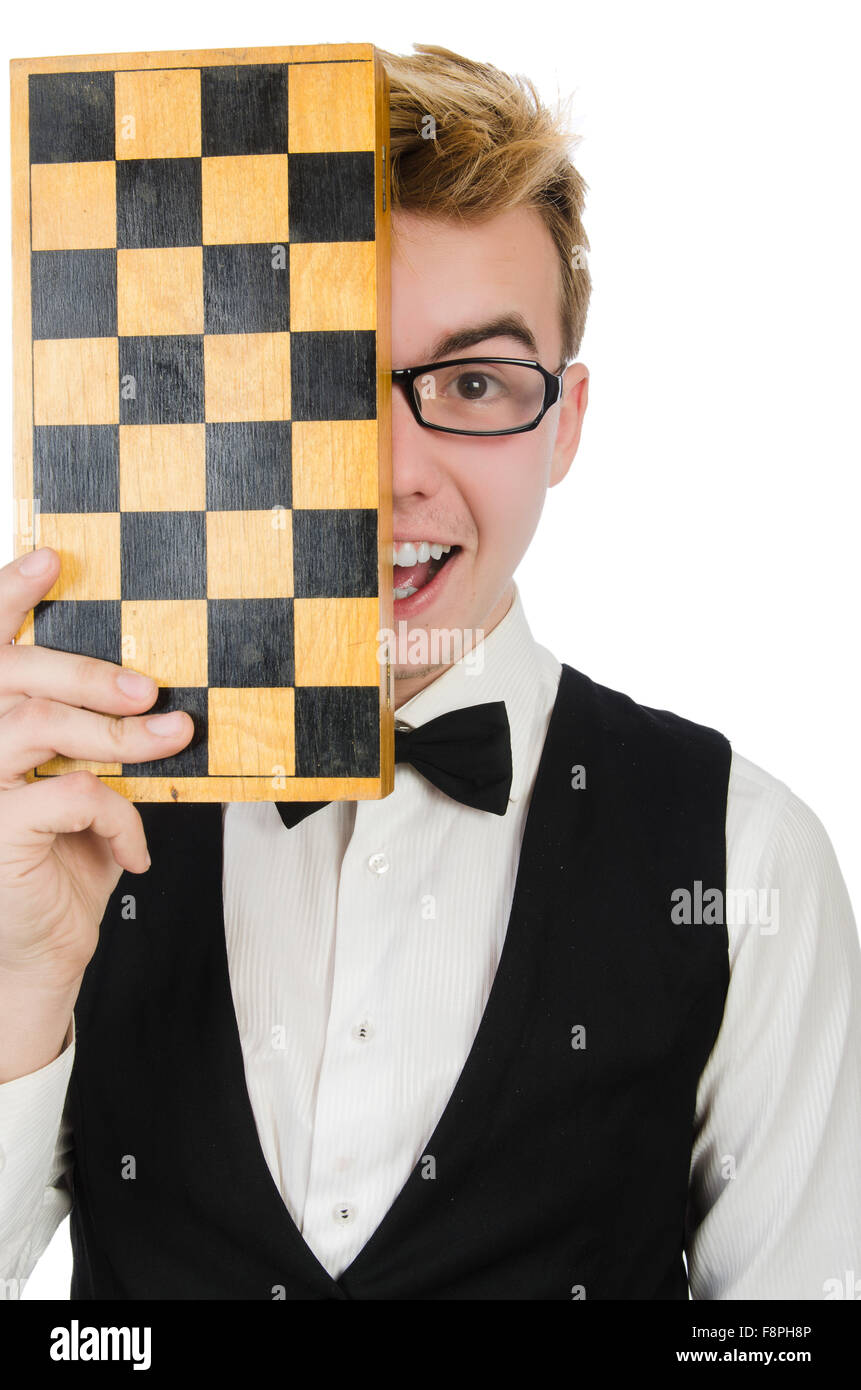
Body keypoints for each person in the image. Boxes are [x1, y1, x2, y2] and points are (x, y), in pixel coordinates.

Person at [0, 42, 858, 1301]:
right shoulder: (60, 821)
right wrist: (21, 989)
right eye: (329, 378)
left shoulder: (745, 853)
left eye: (472, 381)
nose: (390, 469)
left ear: (564, 424)